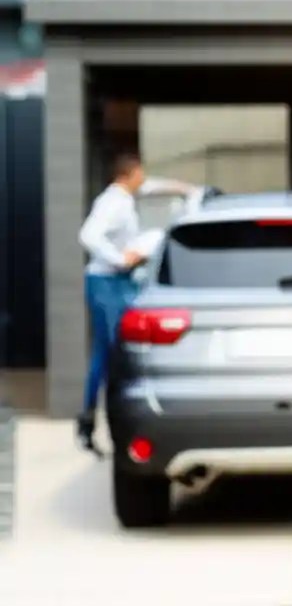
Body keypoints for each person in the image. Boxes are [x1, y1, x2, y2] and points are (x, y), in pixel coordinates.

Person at [76, 153, 195, 455]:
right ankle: (94, 420)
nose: (144, 178)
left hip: (118, 283)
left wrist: (183, 189)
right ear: (130, 173)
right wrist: (120, 260)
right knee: (114, 353)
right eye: (141, 173)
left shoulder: (126, 194)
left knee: (110, 352)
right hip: (107, 284)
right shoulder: (112, 204)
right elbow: (87, 235)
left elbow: (150, 187)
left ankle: (90, 424)